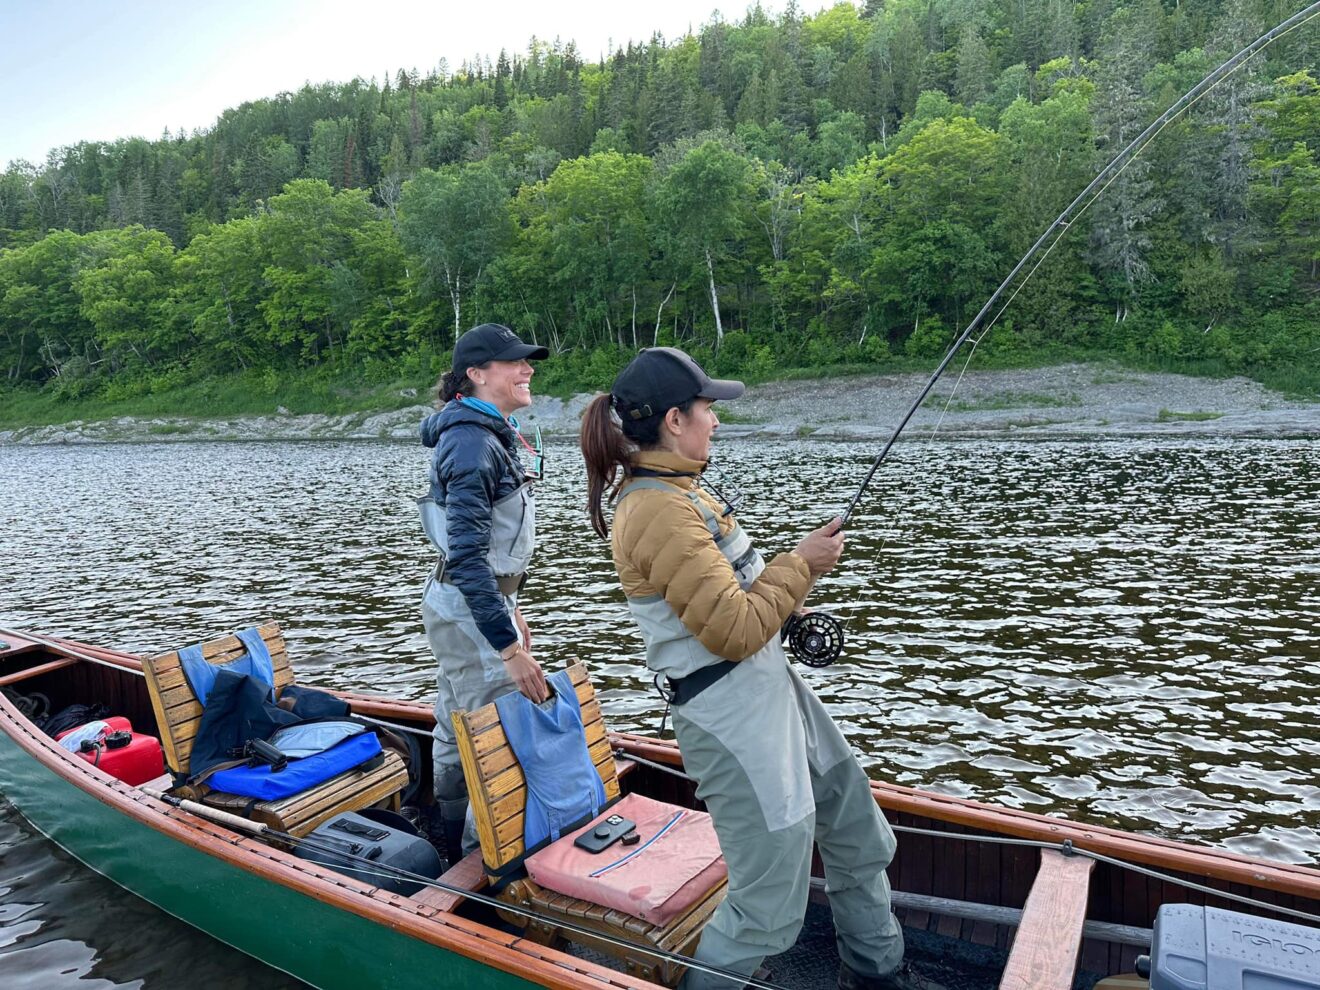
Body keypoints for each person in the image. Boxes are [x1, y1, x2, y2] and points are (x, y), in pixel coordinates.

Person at [579, 347, 944, 990]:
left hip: (775, 693)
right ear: (673, 419)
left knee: (859, 835)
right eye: (708, 408)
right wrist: (801, 563)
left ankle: (878, 974)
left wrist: (795, 576)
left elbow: (746, 602)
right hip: (732, 716)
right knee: (767, 907)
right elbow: (735, 629)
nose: (715, 421)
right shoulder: (656, 509)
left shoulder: (682, 490)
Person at [419, 322, 551, 862]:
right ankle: (486, 872)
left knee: (457, 724)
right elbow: (471, 557)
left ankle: (448, 840)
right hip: (473, 605)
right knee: (500, 740)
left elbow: (479, 557)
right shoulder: (473, 443)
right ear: (475, 375)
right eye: (513, 362)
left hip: (466, 602)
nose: (528, 369)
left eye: (527, 361)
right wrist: (509, 648)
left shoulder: (481, 434)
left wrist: (509, 612)